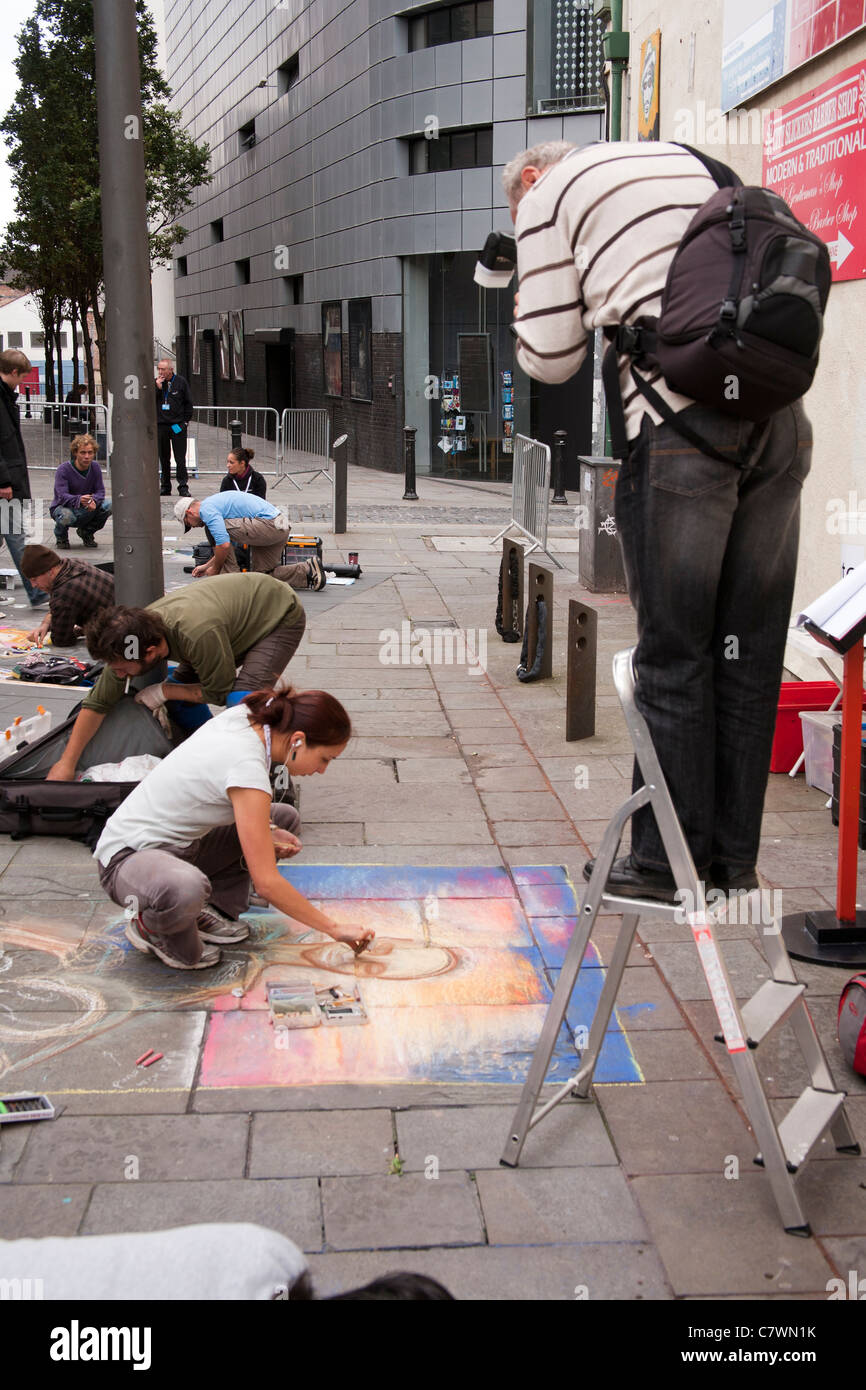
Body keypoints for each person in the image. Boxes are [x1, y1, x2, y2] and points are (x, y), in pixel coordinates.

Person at [507, 140, 812, 900]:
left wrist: (530, 299)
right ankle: (728, 861)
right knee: (746, 651)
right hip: (780, 424)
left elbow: (550, 358)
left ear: (530, 181)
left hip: (683, 430)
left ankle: (661, 865)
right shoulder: (700, 164)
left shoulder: (550, 192)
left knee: (674, 655)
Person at [94, 685, 374, 968]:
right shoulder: (246, 765)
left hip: (181, 847)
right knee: (185, 889)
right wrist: (334, 928)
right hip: (127, 861)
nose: (322, 770)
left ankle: (210, 908)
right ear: (298, 740)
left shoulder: (249, 718)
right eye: (325, 758)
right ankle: (152, 925)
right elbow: (267, 884)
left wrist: (267, 831)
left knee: (283, 817)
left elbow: (219, 787)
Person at [45, 571, 306, 780]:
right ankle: (209, 756)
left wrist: (163, 691)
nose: (119, 674)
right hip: (228, 623)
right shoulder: (128, 644)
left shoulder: (196, 633)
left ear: (149, 652)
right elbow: (97, 703)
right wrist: (66, 763)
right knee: (182, 696)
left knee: (242, 700)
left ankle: (264, 772)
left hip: (277, 614)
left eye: (122, 669)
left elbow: (218, 692)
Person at [176, 490, 326, 591]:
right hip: (279, 526)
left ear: (189, 513)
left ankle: (231, 585)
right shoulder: (214, 503)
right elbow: (224, 546)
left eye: (189, 524)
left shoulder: (206, 510)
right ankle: (307, 570)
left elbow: (224, 545)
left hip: (268, 525)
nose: (193, 527)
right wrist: (206, 565)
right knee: (261, 578)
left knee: (212, 529)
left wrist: (215, 570)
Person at [0, 347, 48, 611]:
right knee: (17, 537)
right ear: (14, 372)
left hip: (9, 477)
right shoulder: (2, 397)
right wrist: (4, 482)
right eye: (22, 377)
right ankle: (38, 592)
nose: (22, 383)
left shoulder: (6, 396)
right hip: (6, 482)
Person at [20, 543, 114, 648]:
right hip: (126, 613)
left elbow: (61, 640)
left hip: (119, 631)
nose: (33, 585)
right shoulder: (72, 563)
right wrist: (47, 623)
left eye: (35, 579)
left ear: (50, 572)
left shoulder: (63, 593)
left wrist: (76, 632)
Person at [49, 432, 111, 548]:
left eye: (90, 453)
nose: (86, 456)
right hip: (65, 507)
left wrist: (94, 501)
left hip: (86, 505)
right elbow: (62, 495)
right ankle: (61, 537)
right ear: (75, 453)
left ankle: (86, 532)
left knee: (109, 505)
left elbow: (100, 491)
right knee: (66, 515)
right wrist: (79, 499)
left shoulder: (95, 467)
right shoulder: (63, 469)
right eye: (83, 452)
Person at [156, 356, 194, 497]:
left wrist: (184, 422)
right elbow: (149, 402)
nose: (160, 372)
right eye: (159, 369)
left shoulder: (180, 382)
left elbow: (188, 403)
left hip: (177, 425)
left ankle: (183, 486)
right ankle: (165, 486)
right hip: (162, 426)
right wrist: (158, 389)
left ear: (171, 370)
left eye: (163, 369)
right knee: (164, 457)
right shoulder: (157, 383)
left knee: (179, 457)